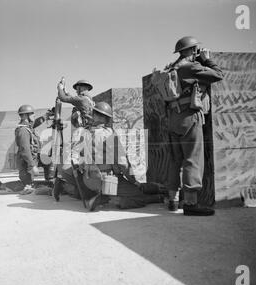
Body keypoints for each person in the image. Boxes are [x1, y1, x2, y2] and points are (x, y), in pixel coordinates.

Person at [53, 101, 160, 211]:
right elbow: (122, 163)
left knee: (83, 193)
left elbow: (73, 157)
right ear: (106, 118)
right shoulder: (108, 134)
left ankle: (91, 194)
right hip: (108, 180)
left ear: (94, 115)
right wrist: (134, 181)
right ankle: (111, 199)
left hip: (88, 179)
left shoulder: (83, 133)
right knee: (138, 196)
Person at [164, 36, 223, 215]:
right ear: (192, 51)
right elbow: (218, 75)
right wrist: (206, 59)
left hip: (173, 119)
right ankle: (190, 205)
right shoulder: (191, 67)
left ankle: (173, 201)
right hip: (189, 118)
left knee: (175, 161)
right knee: (193, 160)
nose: (198, 52)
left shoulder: (171, 68)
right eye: (196, 50)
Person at [0, 105, 49, 195]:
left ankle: (49, 180)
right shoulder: (23, 130)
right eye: (32, 113)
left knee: (47, 162)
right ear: (26, 116)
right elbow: (25, 150)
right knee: (26, 186)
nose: (34, 115)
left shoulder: (27, 126)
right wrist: (32, 166)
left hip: (31, 159)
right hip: (25, 162)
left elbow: (35, 123)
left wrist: (45, 117)